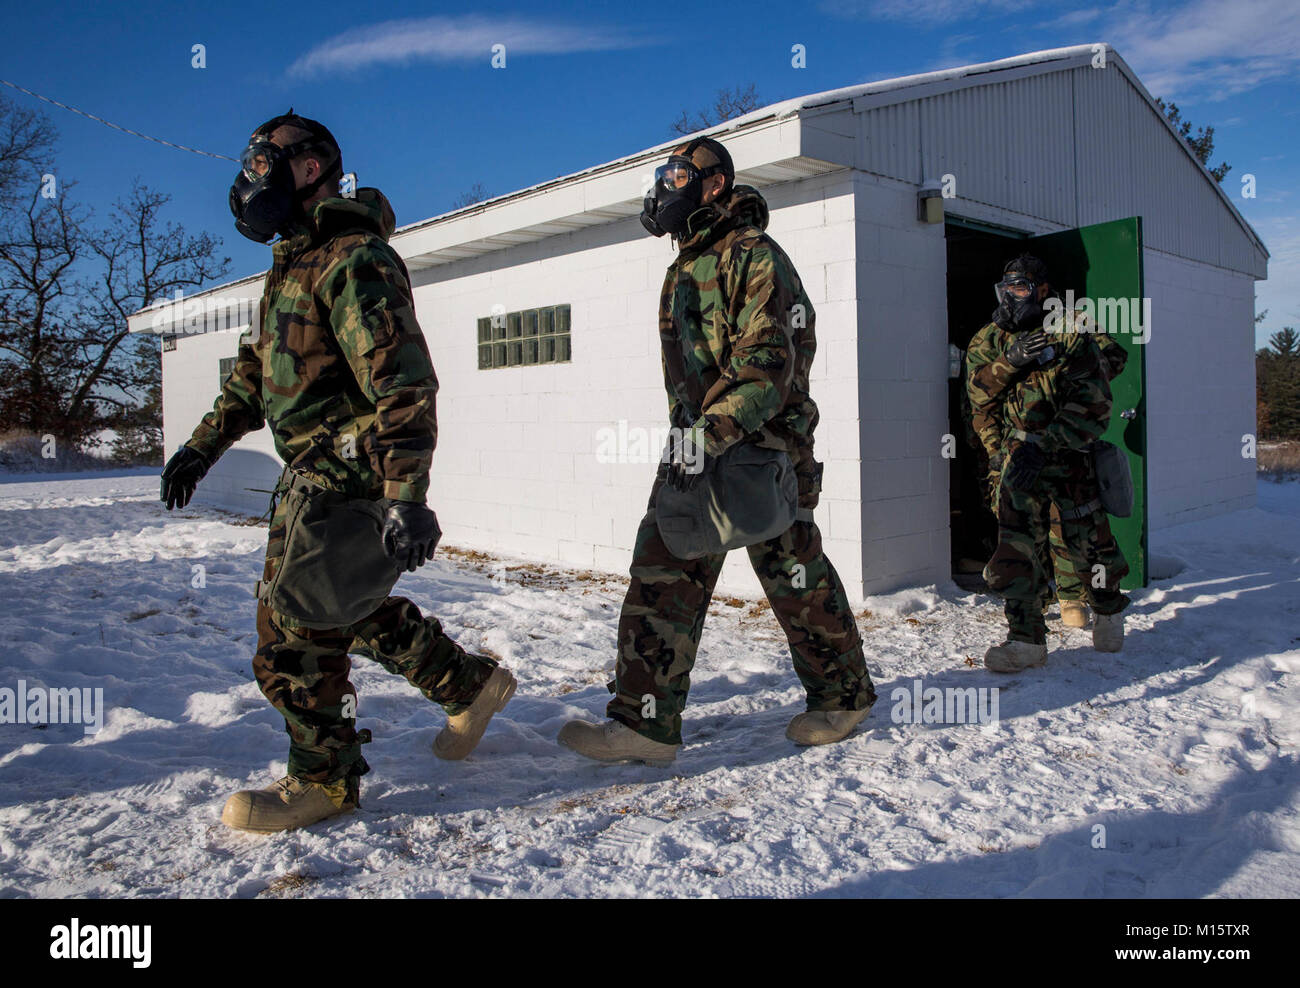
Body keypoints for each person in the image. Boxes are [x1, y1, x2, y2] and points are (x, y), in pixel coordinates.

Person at [160, 111, 515, 832]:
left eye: (265, 163)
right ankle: (469, 685)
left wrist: (405, 497)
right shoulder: (292, 266)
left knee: (291, 632)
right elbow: (253, 377)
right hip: (309, 477)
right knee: (347, 607)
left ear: (311, 166)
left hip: (346, 477)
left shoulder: (354, 259)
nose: (252, 179)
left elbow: (403, 384)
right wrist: (202, 446)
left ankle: (323, 780)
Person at [558, 137, 876, 764]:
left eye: (678, 175)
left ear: (715, 185)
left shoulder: (755, 257)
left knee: (793, 576)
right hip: (698, 446)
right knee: (662, 570)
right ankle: (644, 726)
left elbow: (767, 363)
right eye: (663, 175)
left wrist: (708, 437)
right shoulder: (687, 263)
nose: (665, 186)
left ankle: (843, 697)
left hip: (762, 449)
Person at [966, 254, 1129, 672]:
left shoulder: (1073, 329)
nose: (1011, 297)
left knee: (1087, 540)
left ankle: (1107, 610)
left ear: (1041, 290)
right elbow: (978, 397)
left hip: (1067, 456)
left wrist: (1051, 443)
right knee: (1015, 547)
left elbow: (1093, 401)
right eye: (1006, 289)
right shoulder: (991, 338)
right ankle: (1026, 639)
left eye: (1020, 288)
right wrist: (1011, 363)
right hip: (1016, 458)